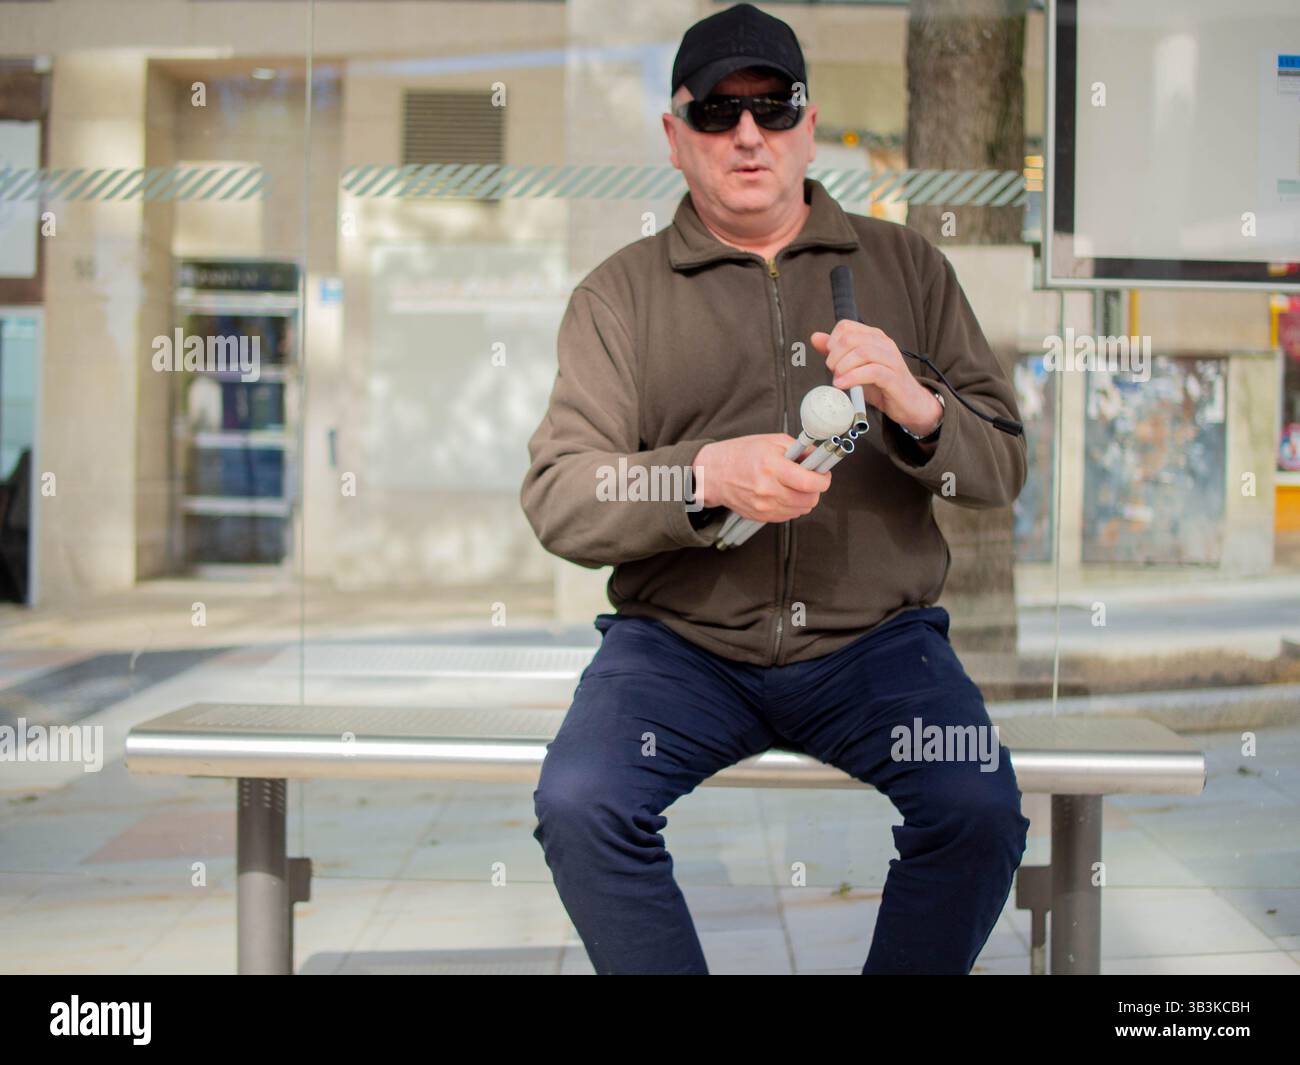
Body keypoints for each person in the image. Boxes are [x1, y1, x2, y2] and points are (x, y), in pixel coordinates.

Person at [520, 2, 1030, 975]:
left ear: (808, 125)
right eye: (717, 111)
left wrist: (918, 407)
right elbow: (560, 494)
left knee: (976, 805)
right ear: (676, 135)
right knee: (581, 802)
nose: (747, 133)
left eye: (773, 107)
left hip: (877, 646)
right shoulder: (619, 295)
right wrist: (701, 476)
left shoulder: (906, 267)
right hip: (679, 648)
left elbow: (1002, 466)